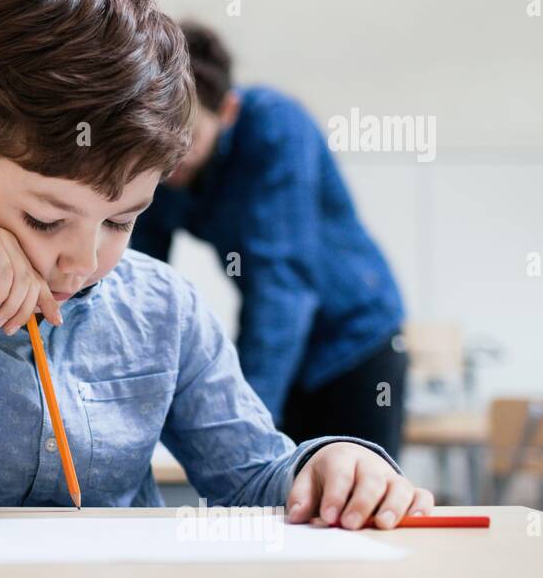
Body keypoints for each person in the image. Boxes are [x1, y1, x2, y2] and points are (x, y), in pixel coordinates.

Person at [0, 0, 431, 527]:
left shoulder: (164, 310)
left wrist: (329, 468)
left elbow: (252, 479)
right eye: (44, 220)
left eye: (123, 221)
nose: (80, 263)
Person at [129, 23, 408, 457]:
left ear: (228, 112)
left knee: (351, 500)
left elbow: (281, 287)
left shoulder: (277, 126)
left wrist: (244, 429)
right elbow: (139, 276)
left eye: (191, 138)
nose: (172, 161)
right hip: (283, 348)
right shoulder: (162, 154)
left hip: (355, 340)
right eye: (165, 143)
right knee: (285, 510)